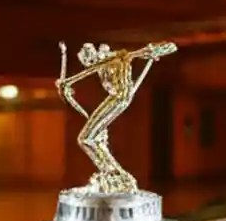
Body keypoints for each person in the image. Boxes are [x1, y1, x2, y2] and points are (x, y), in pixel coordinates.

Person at [56, 41, 176, 194]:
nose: (90, 64)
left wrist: (150, 51)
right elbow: (86, 74)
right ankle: (112, 172)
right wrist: (66, 89)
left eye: (90, 60)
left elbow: (165, 48)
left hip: (119, 98)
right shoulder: (103, 63)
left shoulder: (116, 58)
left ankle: (115, 173)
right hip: (115, 98)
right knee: (91, 139)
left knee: (86, 139)